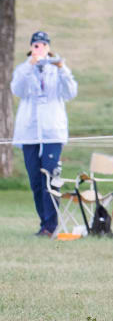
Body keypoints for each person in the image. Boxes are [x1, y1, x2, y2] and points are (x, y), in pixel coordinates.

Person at [10, 31, 78, 237]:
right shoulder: (23, 68)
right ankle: (44, 223)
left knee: (50, 179)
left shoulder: (58, 68)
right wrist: (30, 66)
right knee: (35, 181)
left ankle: (51, 225)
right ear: (31, 47)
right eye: (36, 44)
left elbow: (70, 93)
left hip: (52, 132)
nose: (39, 48)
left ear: (49, 47)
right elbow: (18, 90)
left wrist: (61, 68)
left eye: (43, 45)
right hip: (29, 132)